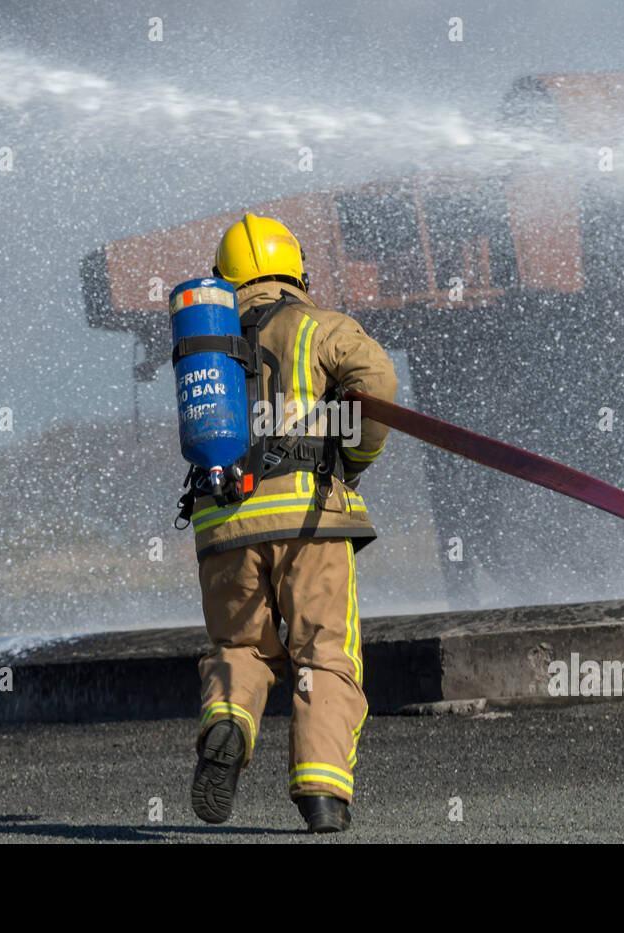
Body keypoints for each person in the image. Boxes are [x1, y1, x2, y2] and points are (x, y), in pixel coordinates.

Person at [184, 213, 397, 833]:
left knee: (240, 647)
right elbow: (376, 384)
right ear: (298, 272)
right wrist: (352, 459)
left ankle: (227, 720)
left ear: (225, 278)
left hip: (223, 523)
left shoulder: (209, 348)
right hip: (309, 520)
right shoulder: (321, 327)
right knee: (324, 657)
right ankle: (322, 795)